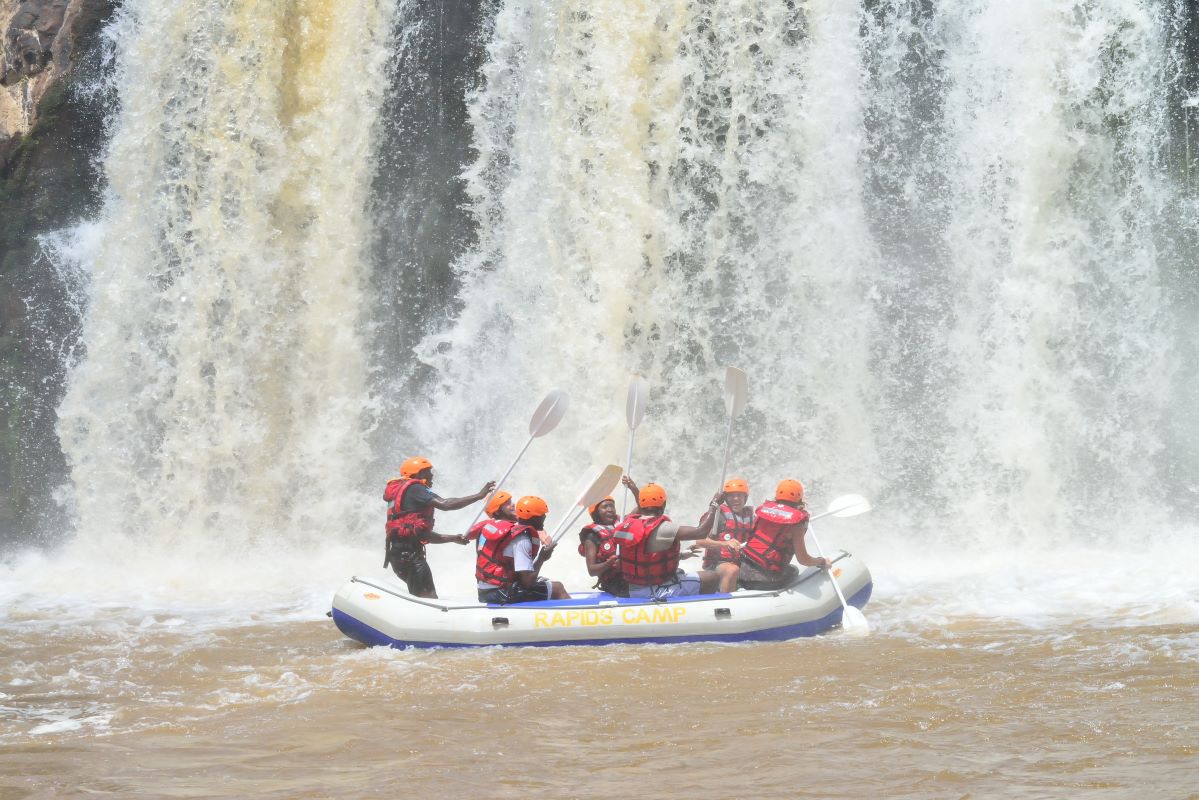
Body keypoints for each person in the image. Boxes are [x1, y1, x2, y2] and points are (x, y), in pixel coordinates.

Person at [383, 456, 495, 599]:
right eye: (427, 471)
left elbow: (421, 535)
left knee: (420, 595)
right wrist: (479, 496)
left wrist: (452, 538)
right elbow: (446, 504)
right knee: (428, 596)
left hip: (398, 556)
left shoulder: (403, 493)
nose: (431, 475)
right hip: (410, 557)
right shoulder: (415, 488)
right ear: (417, 474)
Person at [614, 478, 730, 600]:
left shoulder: (626, 523)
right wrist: (715, 504)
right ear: (663, 505)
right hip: (655, 589)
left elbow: (645, 555)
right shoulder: (664, 528)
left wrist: (680, 555)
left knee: (680, 572)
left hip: (633, 587)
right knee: (712, 578)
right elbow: (700, 532)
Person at [738, 478, 831, 590]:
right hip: (764, 579)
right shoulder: (796, 524)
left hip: (741, 569)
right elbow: (803, 559)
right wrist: (821, 561)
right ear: (799, 500)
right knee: (793, 570)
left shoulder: (764, 513)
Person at [476, 495, 570, 604]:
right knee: (558, 587)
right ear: (533, 518)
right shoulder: (522, 539)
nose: (544, 517)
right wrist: (542, 558)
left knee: (543, 580)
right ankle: (575, 616)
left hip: (485, 590)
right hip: (501, 593)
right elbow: (527, 582)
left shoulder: (506, 530)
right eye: (542, 515)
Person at [690, 477, 753, 590]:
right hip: (719, 563)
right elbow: (699, 541)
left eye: (739, 495)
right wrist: (725, 543)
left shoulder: (751, 517)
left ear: (745, 497)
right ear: (726, 498)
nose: (736, 499)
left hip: (742, 562)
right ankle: (725, 601)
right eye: (731, 496)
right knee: (732, 570)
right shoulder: (717, 516)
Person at [577, 496, 628, 597]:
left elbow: (642, 509)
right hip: (614, 583)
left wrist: (633, 488)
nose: (610, 510)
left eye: (612, 506)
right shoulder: (591, 536)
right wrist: (609, 563)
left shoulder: (622, 522)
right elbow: (591, 570)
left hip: (631, 577)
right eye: (605, 507)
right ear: (596, 513)